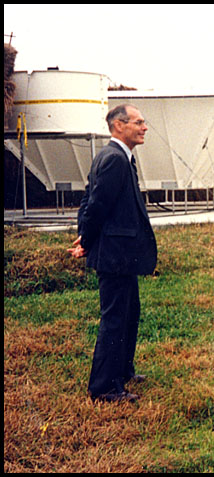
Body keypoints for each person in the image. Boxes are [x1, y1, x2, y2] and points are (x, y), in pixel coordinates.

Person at [68, 104, 157, 403]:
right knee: (116, 319)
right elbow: (96, 206)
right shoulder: (115, 159)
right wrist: (86, 240)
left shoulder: (118, 157)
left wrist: (85, 236)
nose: (144, 127)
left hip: (122, 256)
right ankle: (104, 387)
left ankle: (122, 371)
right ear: (119, 125)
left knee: (129, 314)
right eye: (139, 122)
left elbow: (88, 198)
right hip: (114, 256)